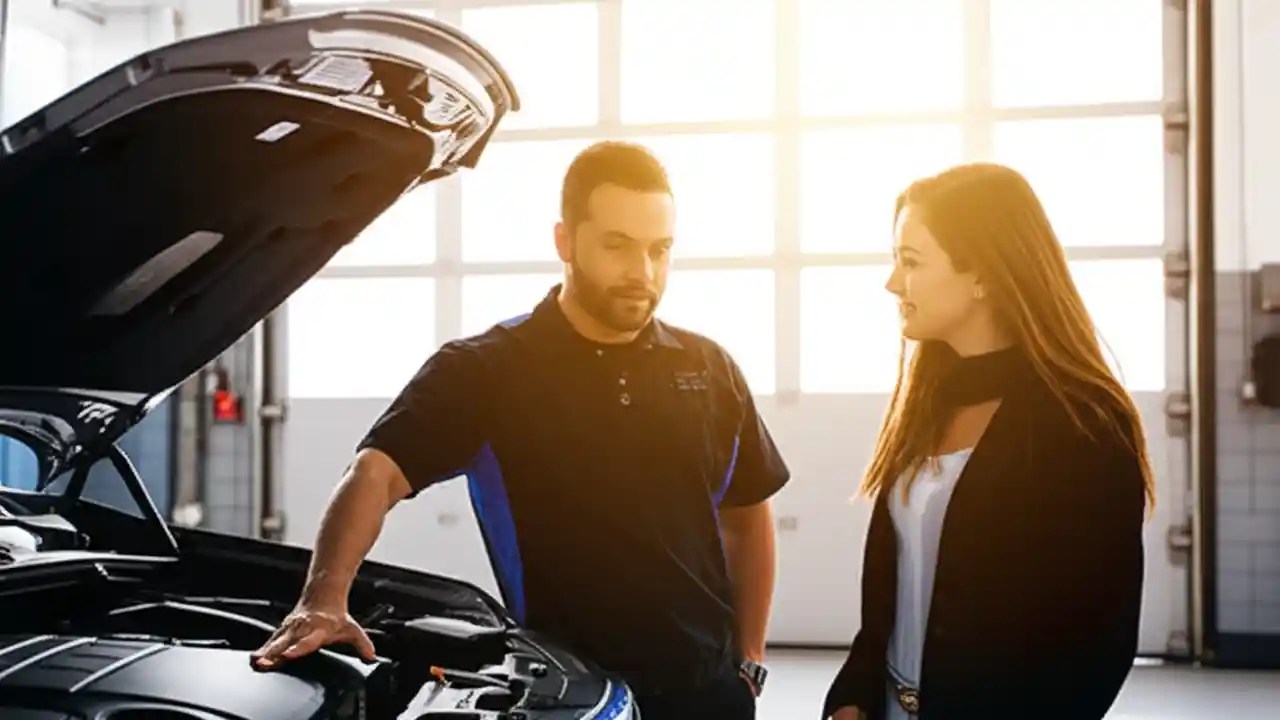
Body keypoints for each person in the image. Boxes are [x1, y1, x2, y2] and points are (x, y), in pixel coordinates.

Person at [252, 140, 789, 719]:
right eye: (618, 246)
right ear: (565, 240)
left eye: (660, 250)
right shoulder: (487, 369)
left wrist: (749, 657)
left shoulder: (707, 367)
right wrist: (324, 597)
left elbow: (748, 512)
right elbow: (374, 475)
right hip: (575, 697)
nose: (643, 272)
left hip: (708, 697)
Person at [823, 163, 1153, 720]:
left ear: (982, 275)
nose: (892, 283)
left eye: (911, 261)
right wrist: (853, 695)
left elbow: (1097, 641)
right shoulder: (928, 403)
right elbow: (893, 594)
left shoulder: (1084, 423)